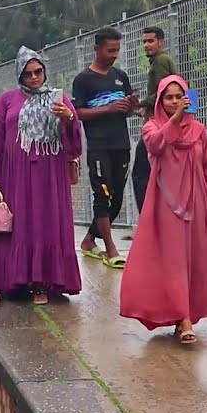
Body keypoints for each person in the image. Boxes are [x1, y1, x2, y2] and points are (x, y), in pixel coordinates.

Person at [119, 74, 207, 343]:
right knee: (173, 261)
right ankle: (184, 319)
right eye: (168, 97)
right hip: (166, 206)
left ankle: (185, 317)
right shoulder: (151, 127)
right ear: (160, 100)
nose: (173, 101)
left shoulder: (199, 131)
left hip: (198, 205)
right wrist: (176, 118)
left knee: (196, 260)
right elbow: (157, 144)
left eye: (178, 96)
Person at [0, 46, 84, 306]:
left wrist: (69, 118)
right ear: (20, 75)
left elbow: (74, 146)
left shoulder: (59, 99)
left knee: (45, 225)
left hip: (50, 176)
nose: (34, 77)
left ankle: (42, 283)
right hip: (16, 176)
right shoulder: (7, 100)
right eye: (28, 74)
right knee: (13, 227)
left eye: (38, 72)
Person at [72, 27, 139, 269]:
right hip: (98, 145)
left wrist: (131, 106)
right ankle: (111, 249)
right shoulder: (83, 80)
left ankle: (90, 239)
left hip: (121, 144)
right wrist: (107, 109)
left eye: (117, 50)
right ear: (97, 49)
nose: (114, 55)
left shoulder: (120, 76)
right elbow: (78, 113)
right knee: (102, 195)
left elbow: (128, 109)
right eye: (110, 50)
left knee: (117, 198)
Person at [133, 26, 180, 215]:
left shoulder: (160, 61)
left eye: (151, 41)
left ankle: (148, 219)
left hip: (158, 127)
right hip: (163, 124)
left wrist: (140, 103)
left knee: (140, 174)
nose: (146, 45)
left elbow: (163, 93)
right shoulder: (161, 61)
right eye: (144, 41)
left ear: (161, 42)